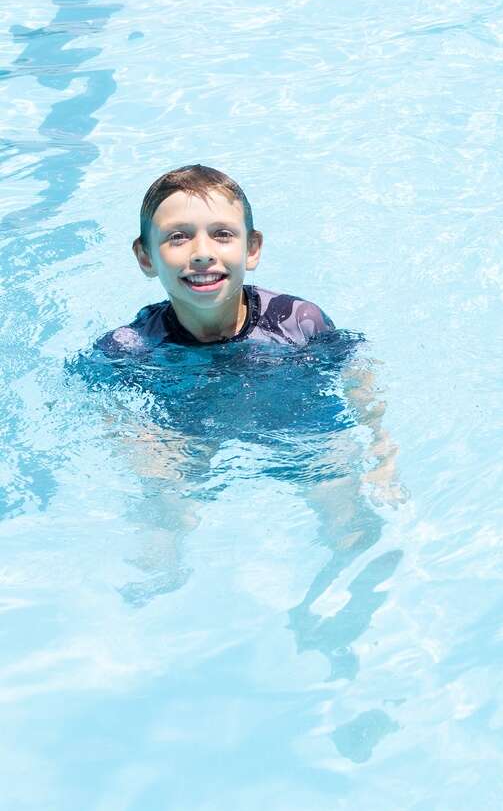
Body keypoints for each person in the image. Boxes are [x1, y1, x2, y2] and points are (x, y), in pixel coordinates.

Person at [76, 164, 402, 607]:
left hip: (294, 421)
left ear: (252, 248)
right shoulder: (132, 346)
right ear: (146, 258)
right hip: (190, 426)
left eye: (222, 235)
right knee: (162, 504)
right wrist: (140, 443)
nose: (202, 252)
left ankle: (356, 583)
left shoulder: (296, 322)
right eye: (178, 237)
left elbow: (357, 371)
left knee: (342, 497)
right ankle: (157, 588)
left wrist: (381, 448)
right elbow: (97, 397)